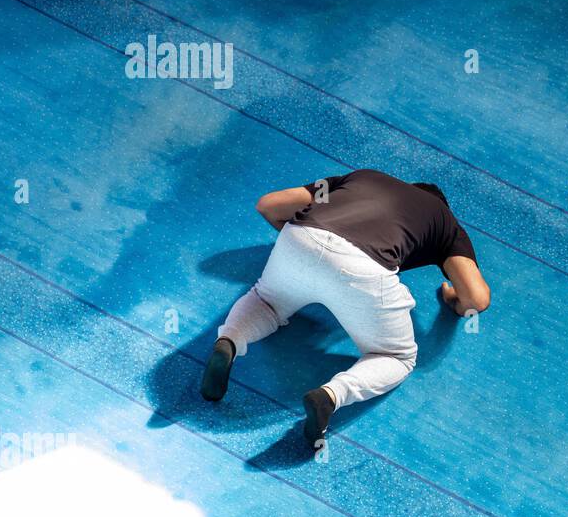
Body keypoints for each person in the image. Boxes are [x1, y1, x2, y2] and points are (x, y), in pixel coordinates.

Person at [199, 169, 490, 448]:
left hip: (303, 235)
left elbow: (269, 205)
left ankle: (230, 340)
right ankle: (330, 396)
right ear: (440, 204)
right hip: (364, 269)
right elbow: (476, 299)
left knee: (266, 300)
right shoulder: (444, 220)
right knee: (397, 357)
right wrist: (453, 300)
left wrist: (304, 252)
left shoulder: (366, 177)